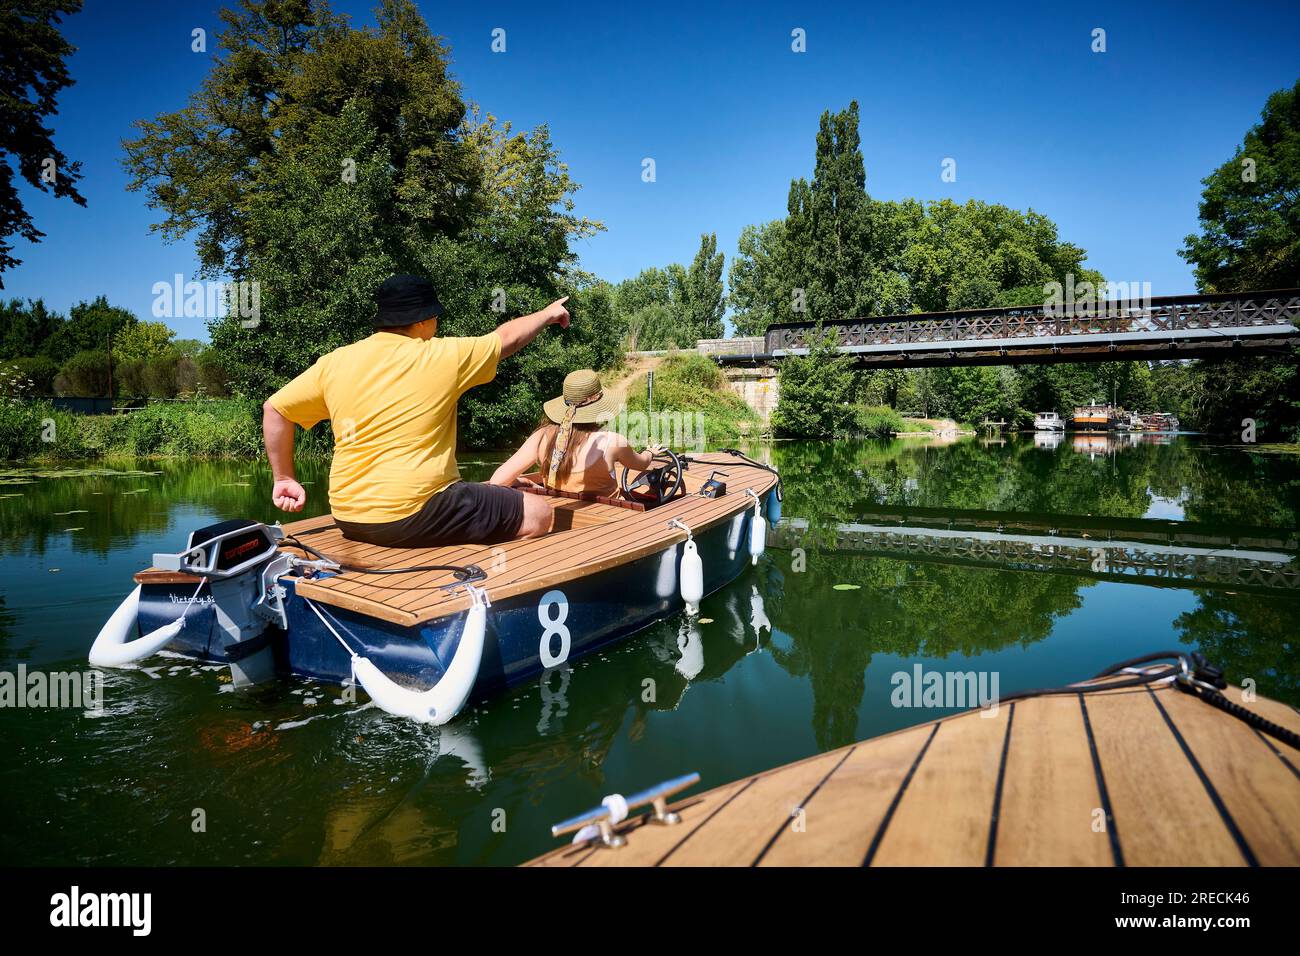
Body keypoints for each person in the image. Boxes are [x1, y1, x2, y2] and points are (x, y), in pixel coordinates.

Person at [262, 273, 568, 547]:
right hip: (415, 514)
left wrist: (285, 478)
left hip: (348, 517)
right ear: (423, 320)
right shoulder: (441, 355)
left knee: (479, 495)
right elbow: (506, 339)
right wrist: (547, 313)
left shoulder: (336, 361)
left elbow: (275, 409)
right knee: (539, 512)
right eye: (435, 318)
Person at [489, 369, 662, 497]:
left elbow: (497, 481)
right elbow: (641, 464)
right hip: (609, 521)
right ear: (599, 406)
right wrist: (650, 452)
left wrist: (525, 481)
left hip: (558, 514)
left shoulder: (541, 437)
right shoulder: (612, 442)